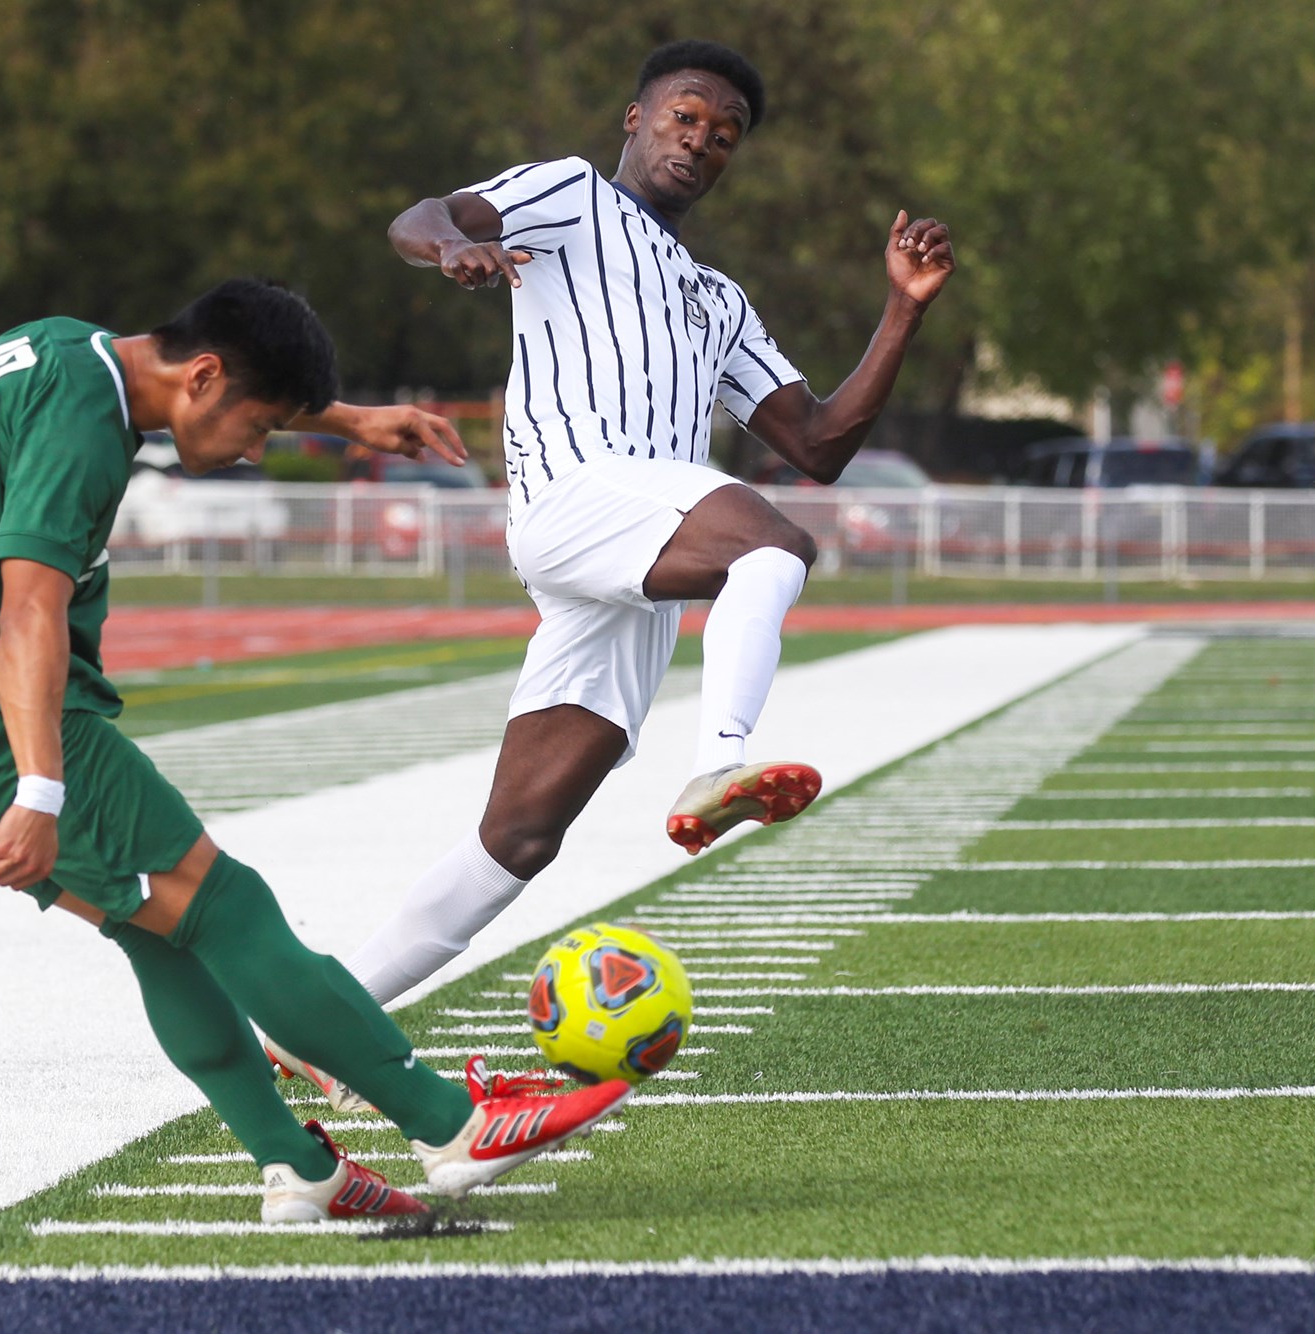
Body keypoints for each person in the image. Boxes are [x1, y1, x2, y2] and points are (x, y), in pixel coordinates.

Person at [0, 280, 631, 1221]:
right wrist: (41, 788)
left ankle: (298, 1169)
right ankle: (449, 1125)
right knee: (228, 908)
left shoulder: (69, 353)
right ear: (206, 374)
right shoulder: (82, 422)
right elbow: (30, 607)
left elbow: (199, 390)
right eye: (261, 425)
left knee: (163, 938)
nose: (258, 449)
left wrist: (344, 421)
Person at [272, 40, 956, 1104]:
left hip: (637, 540)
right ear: (633, 121)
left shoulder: (716, 298)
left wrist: (902, 308)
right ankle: (717, 762)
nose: (701, 140)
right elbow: (421, 215)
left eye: (722, 135)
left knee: (520, 835)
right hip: (578, 496)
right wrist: (451, 246)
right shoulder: (568, 194)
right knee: (774, 547)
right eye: (685, 117)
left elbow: (816, 441)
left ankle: (327, 1023)